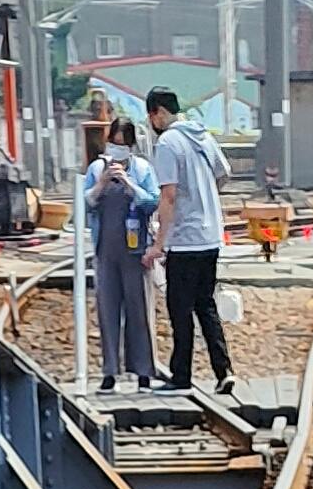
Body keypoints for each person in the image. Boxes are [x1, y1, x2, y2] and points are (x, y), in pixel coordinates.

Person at [145, 84, 235, 391]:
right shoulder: (202, 134)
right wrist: (205, 197)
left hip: (185, 239)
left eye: (151, 117)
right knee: (205, 304)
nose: (152, 124)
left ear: (158, 113)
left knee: (180, 309)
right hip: (211, 236)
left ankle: (181, 376)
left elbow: (168, 196)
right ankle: (224, 371)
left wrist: (159, 244)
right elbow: (225, 172)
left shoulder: (169, 143)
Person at [82, 111, 158, 389]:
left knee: (139, 309)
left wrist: (128, 183)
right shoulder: (95, 169)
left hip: (136, 249)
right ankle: (110, 370)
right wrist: (102, 183)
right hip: (106, 248)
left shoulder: (142, 169)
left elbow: (152, 202)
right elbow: (84, 205)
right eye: (113, 142)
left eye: (123, 144)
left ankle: (143, 371)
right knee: (107, 308)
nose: (117, 149)